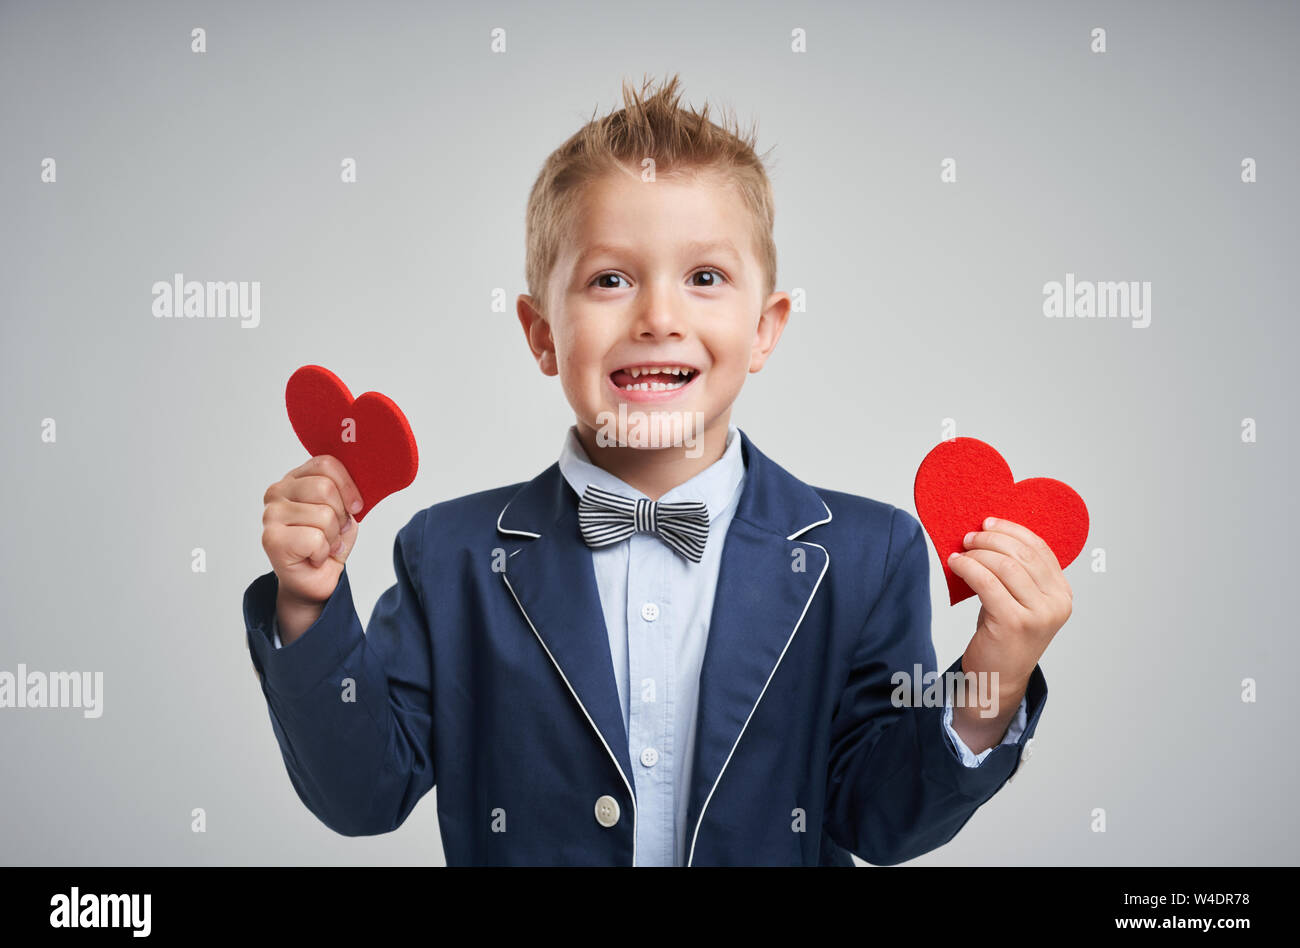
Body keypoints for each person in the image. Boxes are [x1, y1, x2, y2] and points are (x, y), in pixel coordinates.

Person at [243, 73, 1071, 866]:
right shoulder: (448, 555)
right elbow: (360, 793)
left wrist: (996, 668)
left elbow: (882, 815)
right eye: (610, 279)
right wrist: (308, 606)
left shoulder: (867, 554)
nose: (659, 317)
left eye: (705, 277)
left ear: (764, 329)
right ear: (540, 334)